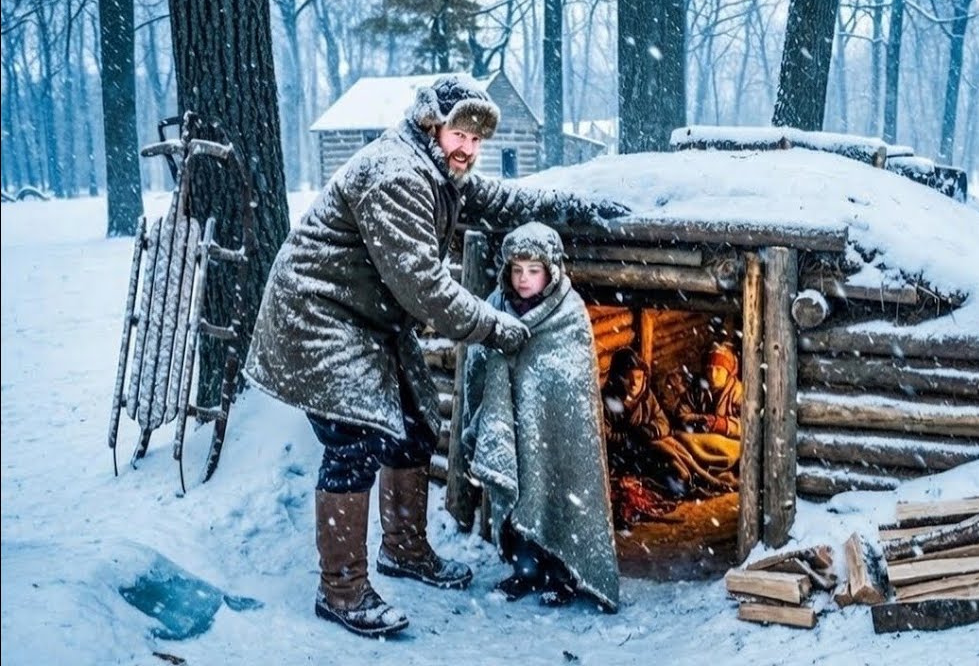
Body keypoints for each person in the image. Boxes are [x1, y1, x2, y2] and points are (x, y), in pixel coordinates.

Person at [244, 74, 628, 637]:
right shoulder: (397, 175)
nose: (468, 149)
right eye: (460, 134)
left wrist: (571, 206)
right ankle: (341, 590)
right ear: (431, 123)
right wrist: (499, 328)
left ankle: (403, 550)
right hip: (318, 317)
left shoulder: (441, 170)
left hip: (366, 316)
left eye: (477, 140)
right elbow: (425, 288)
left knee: (415, 427)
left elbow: (501, 200)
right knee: (356, 441)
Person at [457, 222, 619, 612]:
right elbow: (478, 364)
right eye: (517, 270)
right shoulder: (495, 306)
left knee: (562, 489)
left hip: (557, 432)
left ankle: (565, 574)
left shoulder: (569, 313)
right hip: (511, 425)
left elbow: (571, 383)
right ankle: (526, 570)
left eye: (533, 270)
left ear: (550, 271)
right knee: (520, 492)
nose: (524, 279)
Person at [600, 348, 727, 497]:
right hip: (627, 456)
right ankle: (696, 480)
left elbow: (663, 421)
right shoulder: (606, 401)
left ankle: (700, 476)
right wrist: (632, 437)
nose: (635, 383)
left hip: (650, 445)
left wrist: (650, 431)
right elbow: (605, 438)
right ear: (618, 377)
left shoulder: (646, 396)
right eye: (628, 378)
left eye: (639, 377)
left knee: (670, 444)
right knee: (670, 462)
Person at [671, 342, 745, 483]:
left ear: (729, 371)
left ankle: (708, 469)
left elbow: (752, 426)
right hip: (702, 438)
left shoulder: (739, 392)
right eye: (709, 369)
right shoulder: (698, 389)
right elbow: (681, 412)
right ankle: (704, 469)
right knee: (680, 438)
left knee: (707, 443)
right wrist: (699, 419)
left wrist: (722, 424)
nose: (713, 374)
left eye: (718, 369)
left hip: (729, 443)